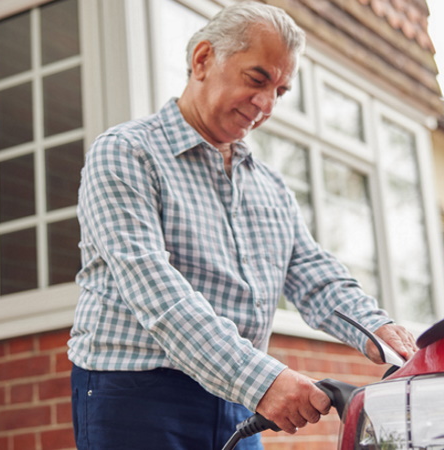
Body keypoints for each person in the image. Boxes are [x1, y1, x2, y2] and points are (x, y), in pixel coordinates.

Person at [68, 2, 418, 449]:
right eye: (257, 80)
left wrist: (378, 330)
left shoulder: (270, 186)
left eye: (280, 91)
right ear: (202, 60)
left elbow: (315, 277)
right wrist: (264, 381)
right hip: (138, 394)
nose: (266, 104)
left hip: (236, 395)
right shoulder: (126, 153)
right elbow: (153, 289)